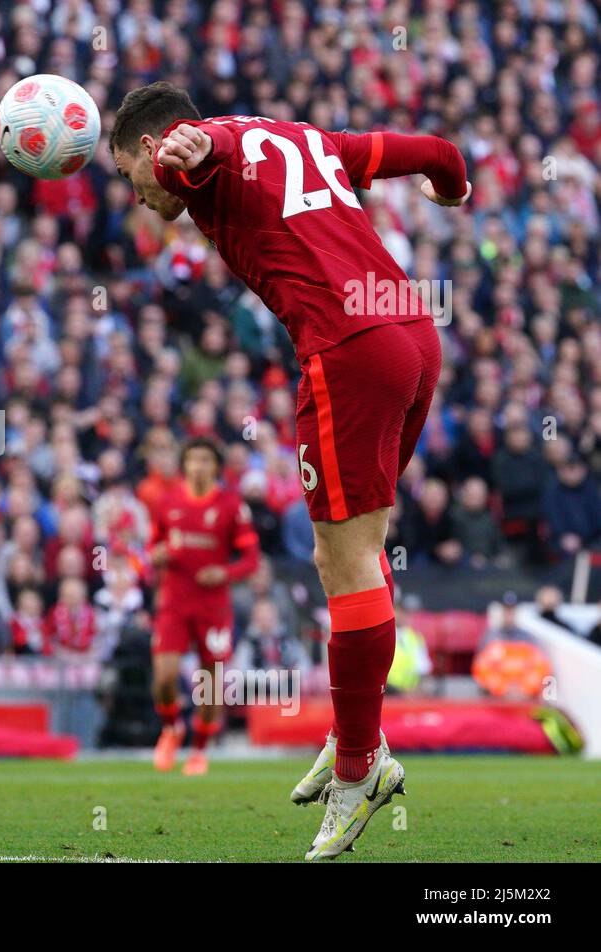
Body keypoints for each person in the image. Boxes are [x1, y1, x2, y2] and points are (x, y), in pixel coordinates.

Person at [112, 83, 469, 856]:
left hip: (347, 351)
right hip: (412, 334)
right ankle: (358, 732)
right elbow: (440, 155)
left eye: (128, 175)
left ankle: (358, 770)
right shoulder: (308, 137)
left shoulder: (200, 151)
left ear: (146, 145)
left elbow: (193, 160)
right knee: (356, 553)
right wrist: (455, 188)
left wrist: (185, 155)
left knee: (344, 568)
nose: (137, 196)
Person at [146, 437, 258, 777]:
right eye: (192, 460)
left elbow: (251, 559)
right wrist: (157, 554)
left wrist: (224, 572)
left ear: (215, 467)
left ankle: (198, 750)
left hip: (213, 606)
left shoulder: (231, 506)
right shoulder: (168, 502)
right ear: (184, 465)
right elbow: (153, 545)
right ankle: (171, 728)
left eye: (204, 460)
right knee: (164, 677)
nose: (197, 466)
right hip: (174, 602)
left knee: (211, 684)